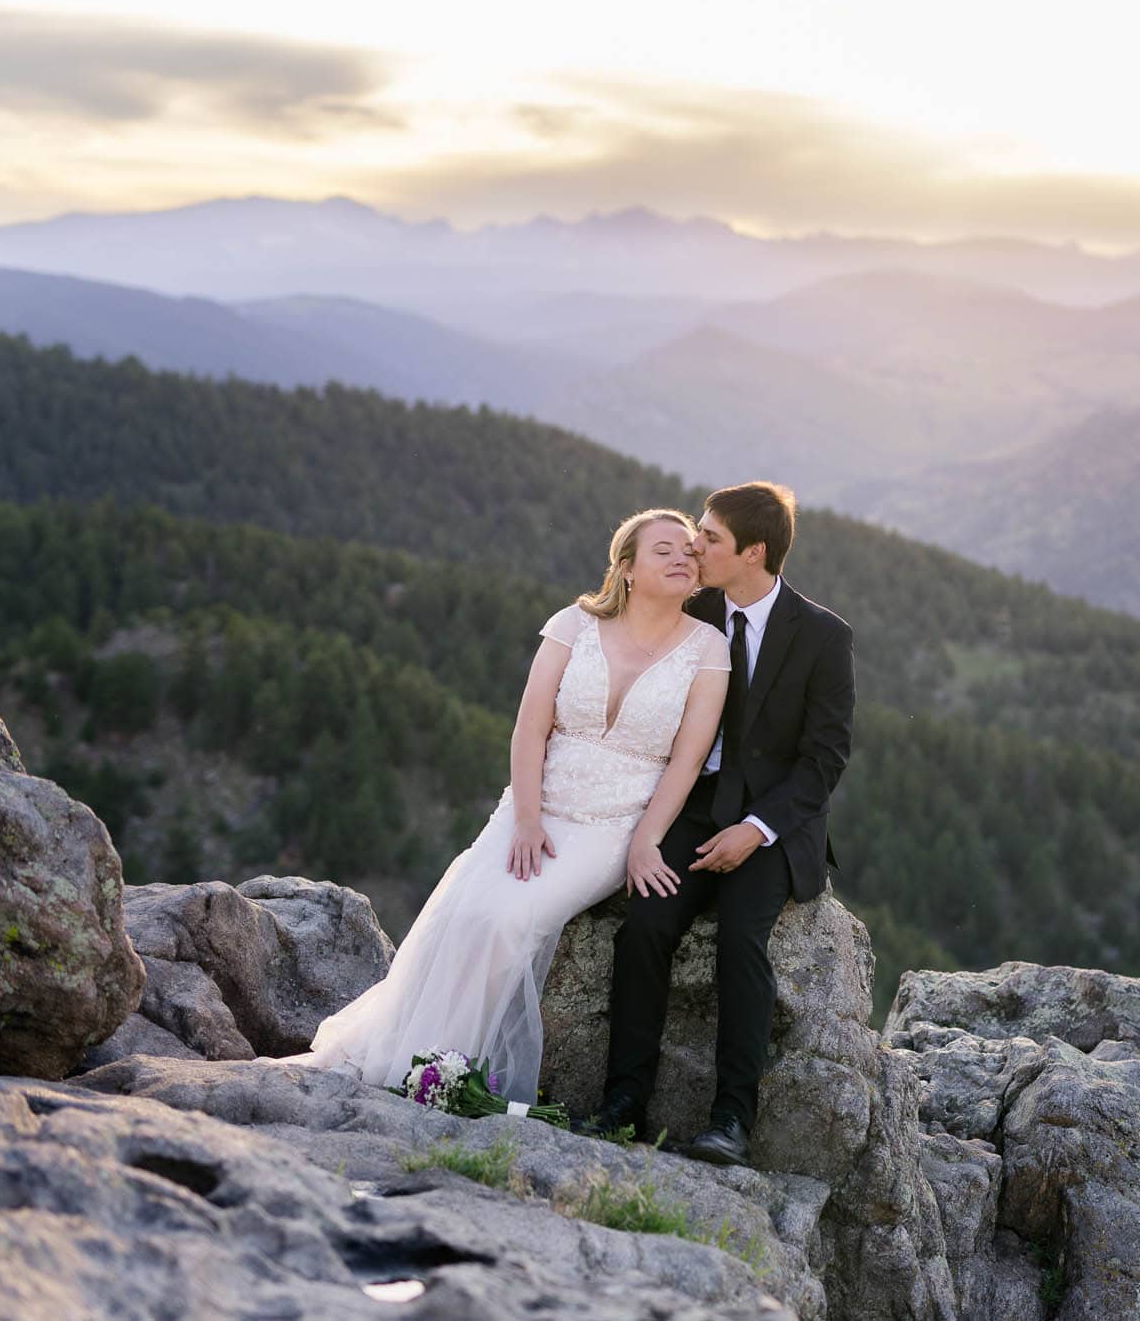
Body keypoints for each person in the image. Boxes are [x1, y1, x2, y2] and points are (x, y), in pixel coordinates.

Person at [281, 510, 730, 1105]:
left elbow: (686, 762)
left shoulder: (708, 649)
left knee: (510, 922)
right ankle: (408, 1059)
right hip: (532, 808)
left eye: (690, 553)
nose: (683, 559)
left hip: (611, 826)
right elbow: (530, 728)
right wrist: (525, 817)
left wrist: (647, 838)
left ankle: (446, 1075)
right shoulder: (574, 624)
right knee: (465, 910)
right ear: (625, 569)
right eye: (665, 550)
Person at [577, 481, 854, 1167]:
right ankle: (622, 1104)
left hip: (771, 823)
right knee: (646, 926)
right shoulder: (692, 608)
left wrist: (756, 828)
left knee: (740, 939)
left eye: (709, 538)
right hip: (694, 803)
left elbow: (825, 759)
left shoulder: (822, 635)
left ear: (753, 553)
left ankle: (731, 1120)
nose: (693, 547)